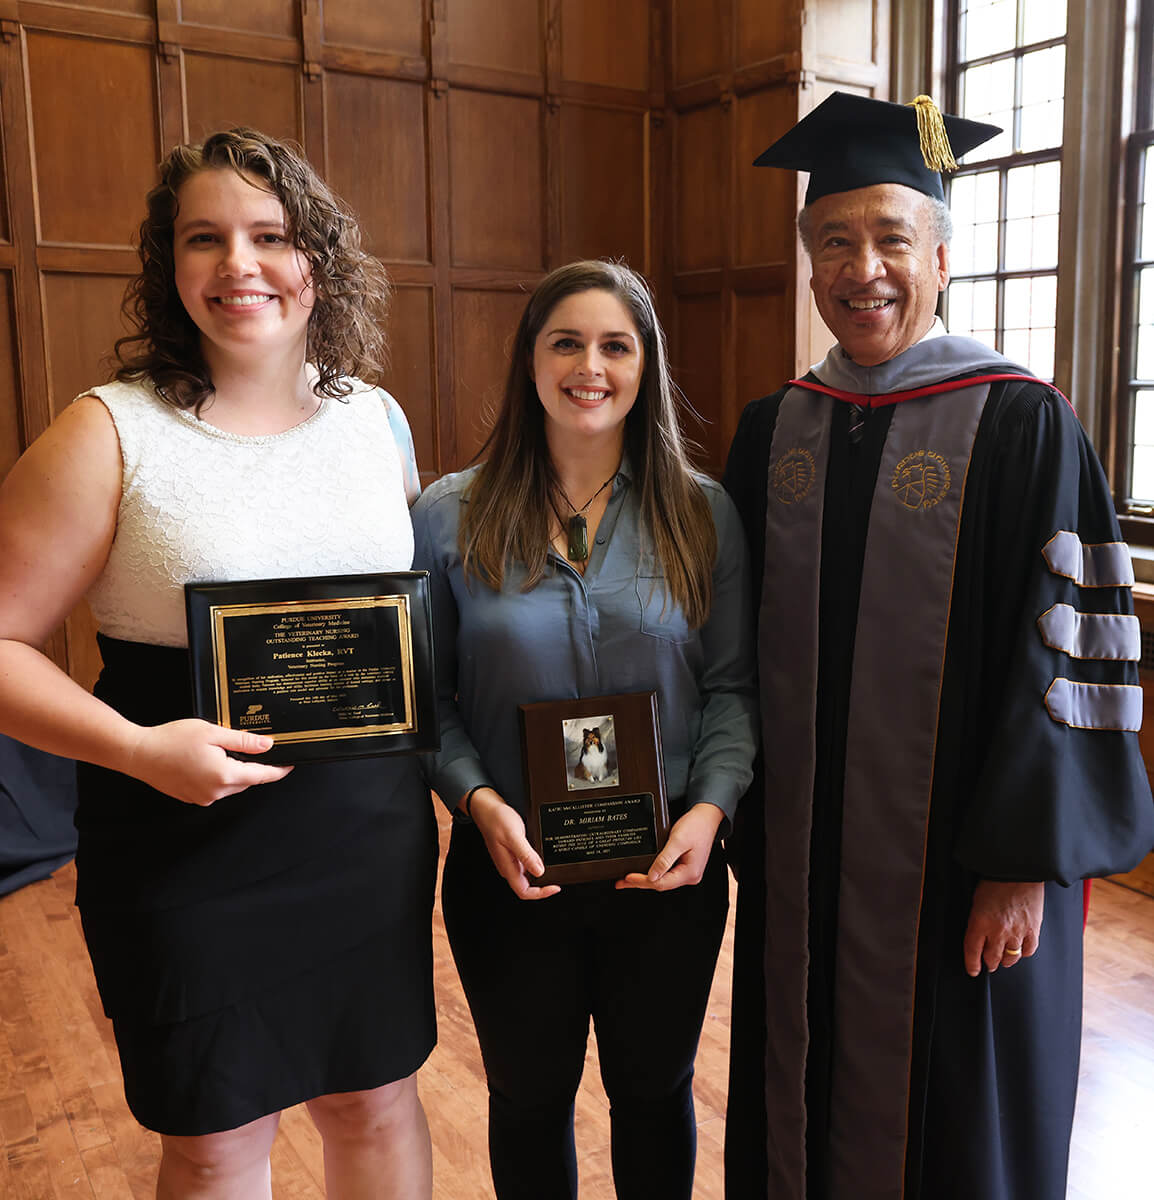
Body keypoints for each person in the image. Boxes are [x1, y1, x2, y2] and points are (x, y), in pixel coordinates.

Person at [723, 92, 1154, 1200]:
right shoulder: (775, 433)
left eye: (888, 239)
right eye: (833, 242)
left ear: (941, 257)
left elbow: (1070, 658)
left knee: (959, 1121)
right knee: (797, 1087)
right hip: (805, 870)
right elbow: (722, 643)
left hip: (966, 871)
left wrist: (1023, 860)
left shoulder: (1020, 423)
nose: (860, 268)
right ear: (808, 262)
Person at [0, 128, 437, 1198]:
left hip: (363, 834)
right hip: (179, 834)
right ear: (169, 267)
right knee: (213, 1134)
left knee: (374, 1101)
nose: (238, 265)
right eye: (206, 239)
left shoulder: (374, 420)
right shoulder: (111, 430)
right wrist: (141, 749)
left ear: (316, 262)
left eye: (269, 236)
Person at [411, 259, 757, 1200]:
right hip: (511, 864)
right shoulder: (449, 516)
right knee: (528, 1100)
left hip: (668, 867)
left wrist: (711, 811)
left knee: (654, 1092)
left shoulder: (703, 513)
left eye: (616, 345)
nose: (589, 366)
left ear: (646, 367)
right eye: (566, 342)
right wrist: (476, 803)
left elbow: (731, 691)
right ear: (529, 360)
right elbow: (428, 701)